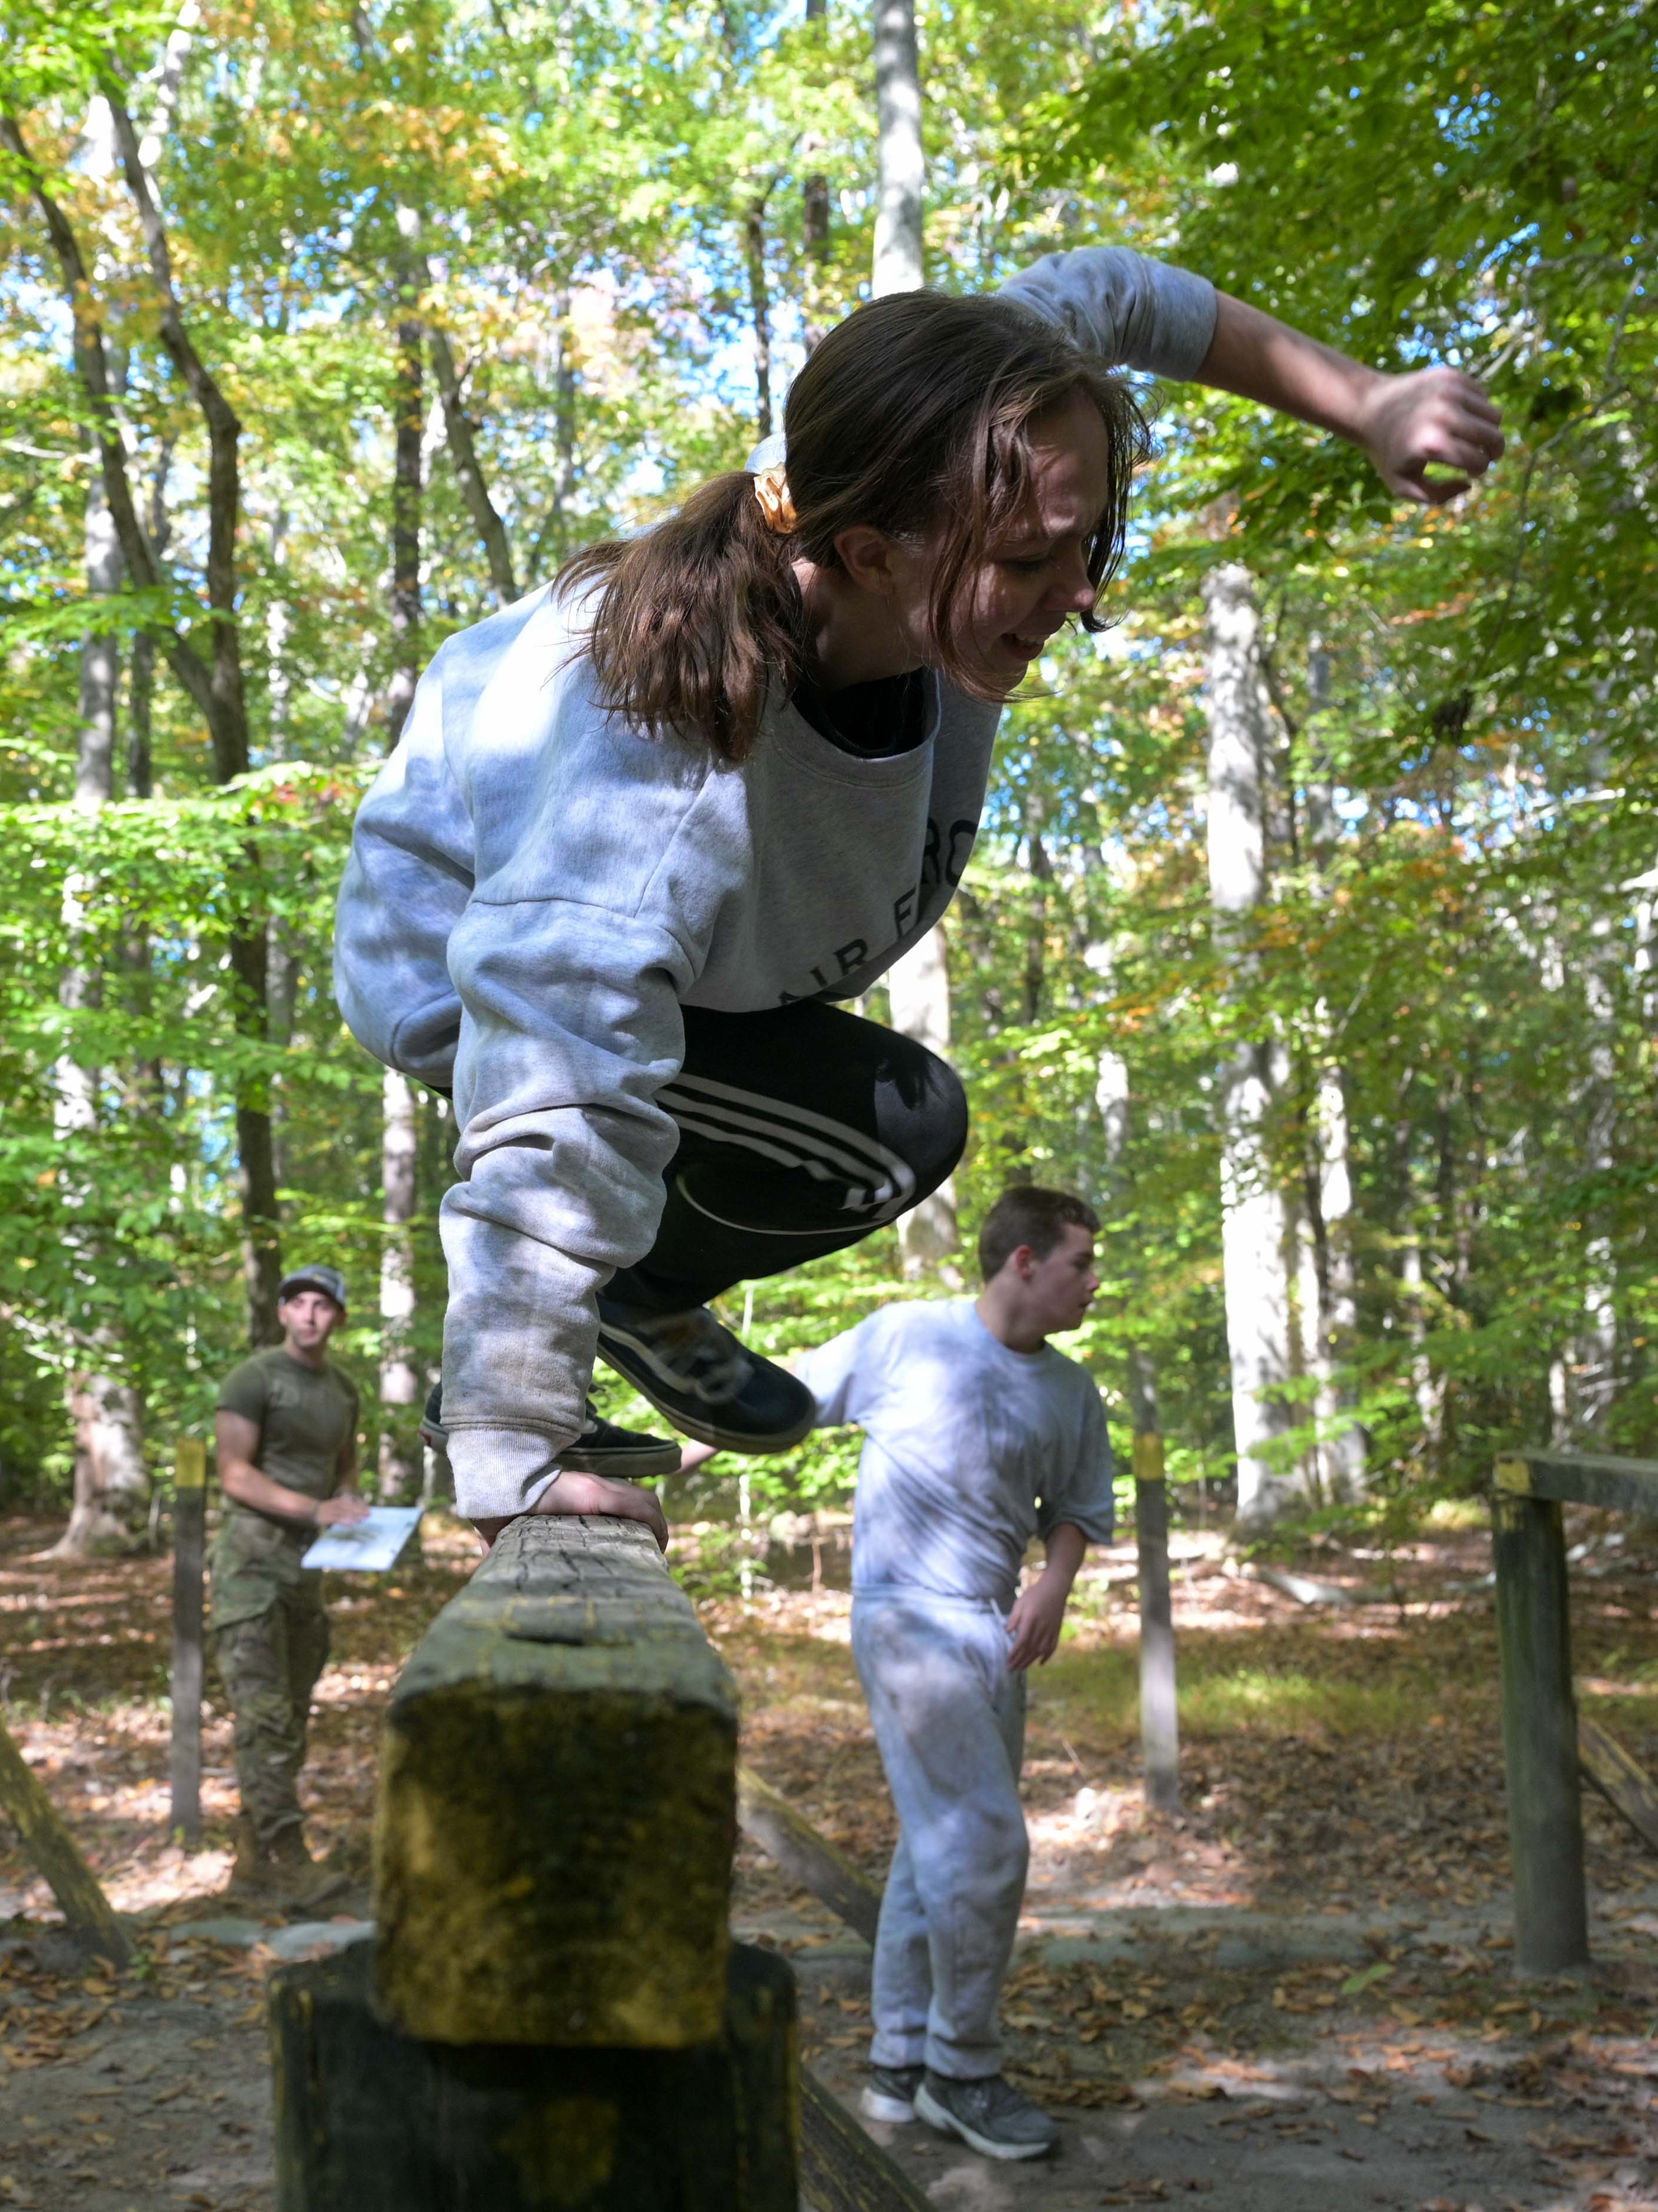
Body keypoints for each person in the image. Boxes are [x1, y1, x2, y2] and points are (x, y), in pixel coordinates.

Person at [335, 249, 1503, 1540]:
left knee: (891, 1128)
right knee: (889, 1125)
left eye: (1092, 539)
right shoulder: (657, 779)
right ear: (867, 550)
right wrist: (515, 1438)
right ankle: (620, 1297)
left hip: (670, 949)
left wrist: (1370, 403)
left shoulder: (970, 422)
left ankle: (647, 1285)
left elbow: (1120, 296)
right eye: (1029, 563)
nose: (1083, 596)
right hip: (454, 940)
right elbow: (555, 1089)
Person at [771, 1185, 1117, 2162]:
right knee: (983, 1840)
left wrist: (1053, 1581)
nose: (1092, 1280)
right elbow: (778, 1403)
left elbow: (1079, 1506)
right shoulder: (903, 1337)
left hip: (994, 1631)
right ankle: (963, 2071)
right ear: (1023, 1262)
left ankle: (899, 2064)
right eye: (1079, 1262)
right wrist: (648, 1468)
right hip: (904, 1619)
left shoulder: (1069, 1389)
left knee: (934, 1852)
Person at [207, 1266, 370, 1906]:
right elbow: (235, 1476)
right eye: (298, 1303)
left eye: (322, 1305)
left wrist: (350, 1502)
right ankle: (286, 1857)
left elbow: (345, 1466)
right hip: (251, 1567)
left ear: (338, 1318)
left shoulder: (342, 1389)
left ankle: (252, 1864)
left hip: (308, 1572)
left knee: (291, 1721)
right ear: (282, 1312)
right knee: (265, 1716)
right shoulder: (255, 1379)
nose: (309, 1315)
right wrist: (313, 1509)